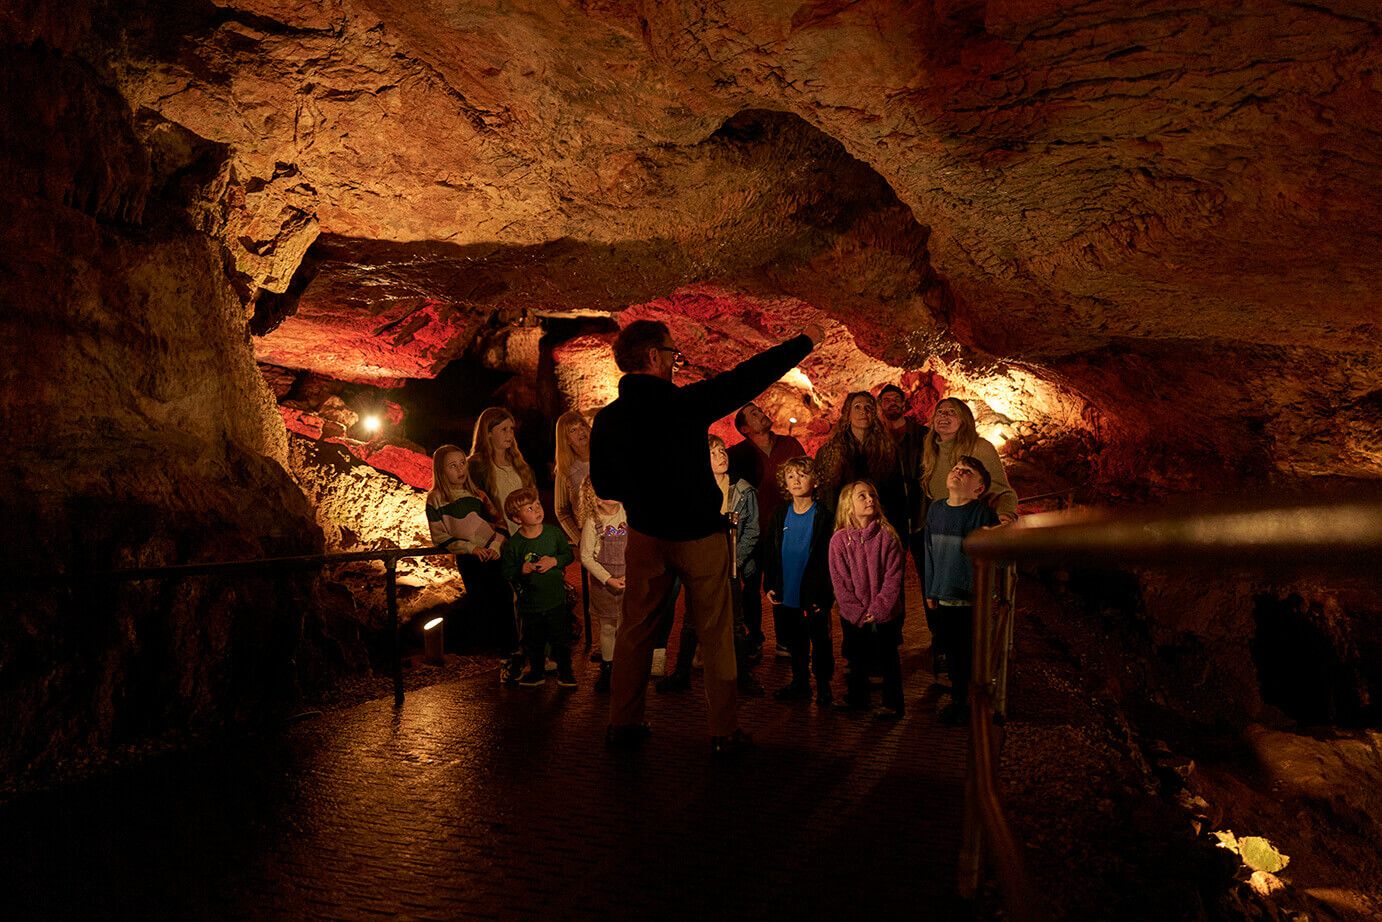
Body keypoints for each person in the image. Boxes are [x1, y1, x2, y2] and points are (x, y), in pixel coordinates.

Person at [590, 318, 822, 754]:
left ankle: (623, 723)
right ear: (655, 357)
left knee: (634, 631)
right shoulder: (684, 405)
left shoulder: (608, 420)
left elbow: (605, 486)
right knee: (716, 633)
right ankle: (723, 730)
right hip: (698, 533)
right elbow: (748, 377)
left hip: (644, 533)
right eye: (674, 354)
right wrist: (804, 341)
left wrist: (645, 495)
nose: (677, 362)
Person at [656, 435, 764, 698]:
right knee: (692, 620)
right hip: (701, 563)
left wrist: (734, 559)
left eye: (723, 450)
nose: (722, 456)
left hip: (730, 565)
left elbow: (751, 530)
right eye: (714, 453)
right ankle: (682, 673)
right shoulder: (691, 490)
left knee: (736, 622)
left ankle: (743, 675)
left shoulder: (743, 490)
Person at [924, 456, 1000, 725]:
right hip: (944, 593)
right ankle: (958, 701)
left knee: (969, 651)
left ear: (979, 488)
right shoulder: (935, 509)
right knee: (952, 649)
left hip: (969, 598)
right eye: (956, 468)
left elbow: (990, 556)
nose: (957, 472)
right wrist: (930, 589)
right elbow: (929, 551)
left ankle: (970, 702)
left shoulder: (981, 514)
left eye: (966, 472)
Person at [726, 403, 806, 656]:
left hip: (787, 529)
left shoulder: (790, 446)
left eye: (760, 411)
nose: (762, 414)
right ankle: (754, 637)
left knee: (784, 583)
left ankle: (785, 639)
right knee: (750, 585)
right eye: (754, 414)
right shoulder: (737, 454)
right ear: (745, 428)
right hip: (753, 530)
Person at [425, 444, 516, 663]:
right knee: (481, 600)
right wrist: (470, 549)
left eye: (462, 463)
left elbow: (500, 524)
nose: (459, 469)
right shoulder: (436, 499)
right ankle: (492, 651)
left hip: (493, 555)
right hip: (469, 558)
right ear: (441, 470)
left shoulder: (478, 495)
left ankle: (512, 648)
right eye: (452, 466)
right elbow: (439, 535)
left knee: (503, 597)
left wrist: (495, 547)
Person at [828, 480, 906, 718]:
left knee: (889, 658)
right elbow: (839, 580)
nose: (870, 499)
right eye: (862, 496)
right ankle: (857, 697)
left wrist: (880, 607)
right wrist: (856, 610)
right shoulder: (839, 541)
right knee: (856, 657)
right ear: (848, 505)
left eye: (872, 494)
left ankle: (892, 703)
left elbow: (894, 577)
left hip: (886, 613)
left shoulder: (887, 536)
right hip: (854, 614)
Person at [763, 455, 836, 706]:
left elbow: (828, 559)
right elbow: (771, 550)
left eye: (802, 475)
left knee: (820, 639)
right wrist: (771, 584)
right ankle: (800, 682)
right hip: (788, 588)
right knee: (795, 640)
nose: (796, 480)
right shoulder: (780, 513)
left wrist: (825, 595)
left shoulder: (824, 516)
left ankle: (824, 685)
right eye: (791, 476)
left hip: (813, 591)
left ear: (815, 480)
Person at [499, 486, 577, 688]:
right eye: (529, 509)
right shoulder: (514, 544)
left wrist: (554, 561)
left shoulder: (553, 533)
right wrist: (522, 570)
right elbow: (507, 571)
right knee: (534, 640)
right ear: (517, 518)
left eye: (537, 505)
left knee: (560, 637)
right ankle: (536, 671)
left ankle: (566, 672)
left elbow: (568, 555)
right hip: (530, 603)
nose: (537, 510)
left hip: (555, 598)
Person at [815, 392, 905, 537]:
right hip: (842, 526)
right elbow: (825, 496)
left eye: (868, 407)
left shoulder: (887, 450)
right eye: (857, 407)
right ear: (848, 414)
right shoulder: (829, 451)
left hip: (877, 525)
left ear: (874, 415)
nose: (863, 411)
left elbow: (896, 494)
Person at [578, 479, 626, 693]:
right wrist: (608, 578)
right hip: (604, 583)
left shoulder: (627, 513)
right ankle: (608, 668)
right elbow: (586, 556)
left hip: (628, 578)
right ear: (594, 497)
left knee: (625, 625)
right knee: (607, 626)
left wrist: (630, 573)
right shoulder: (593, 521)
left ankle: (627, 667)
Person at [468, 407, 537, 537]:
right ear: (488, 433)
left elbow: (533, 501)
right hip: (496, 539)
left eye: (511, 429)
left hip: (524, 538)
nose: (510, 434)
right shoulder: (476, 466)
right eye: (504, 429)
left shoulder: (520, 465)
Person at [553, 410, 591, 543]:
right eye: (572, 430)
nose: (580, 431)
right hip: (589, 539)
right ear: (567, 440)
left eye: (582, 426)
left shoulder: (607, 456)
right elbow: (561, 511)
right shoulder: (565, 471)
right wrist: (580, 540)